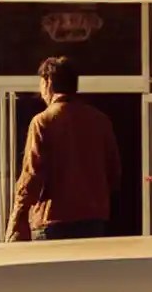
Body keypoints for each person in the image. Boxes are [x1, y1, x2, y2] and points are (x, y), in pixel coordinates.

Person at [7, 56, 122, 241]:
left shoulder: (43, 122)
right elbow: (114, 173)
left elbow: (32, 176)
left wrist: (16, 219)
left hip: (52, 220)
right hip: (93, 221)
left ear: (48, 82)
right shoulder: (100, 121)